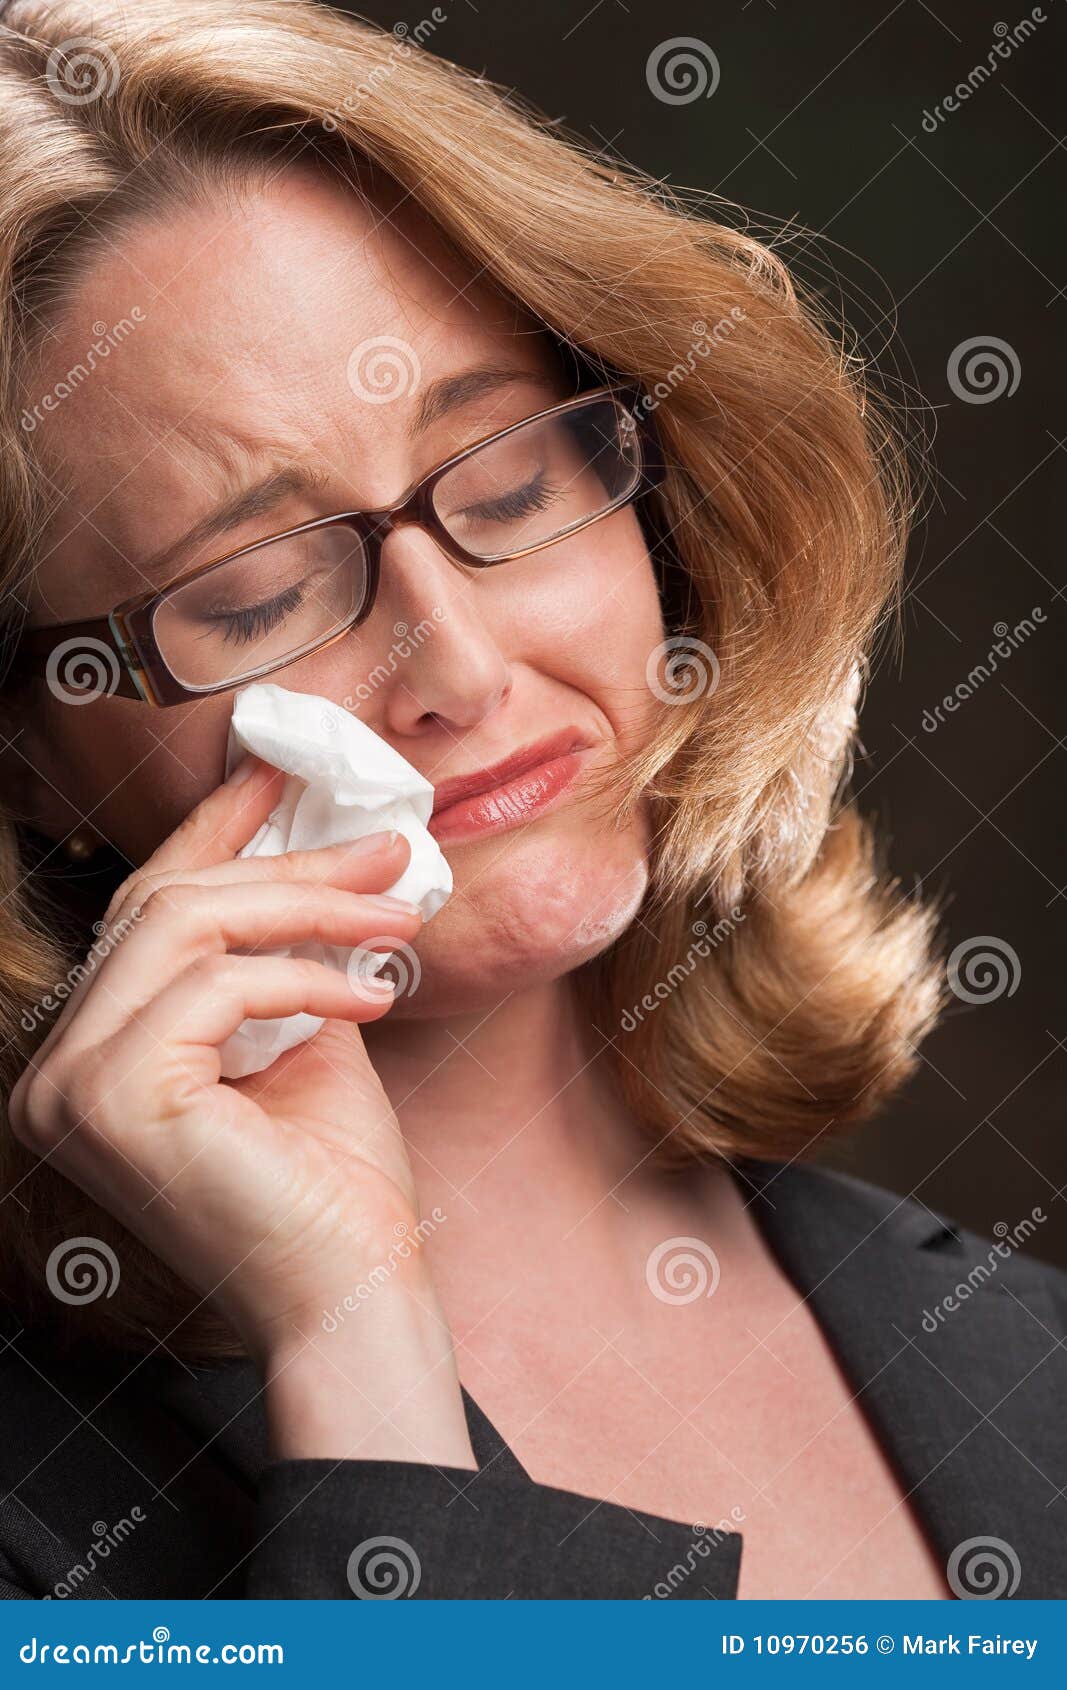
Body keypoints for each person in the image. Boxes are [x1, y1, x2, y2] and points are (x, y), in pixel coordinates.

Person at [0, 0, 1062, 1601]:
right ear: (35, 749)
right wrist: (358, 1353)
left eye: (511, 481)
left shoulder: (1016, 1344)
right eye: (259, 592)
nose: (466, 665)